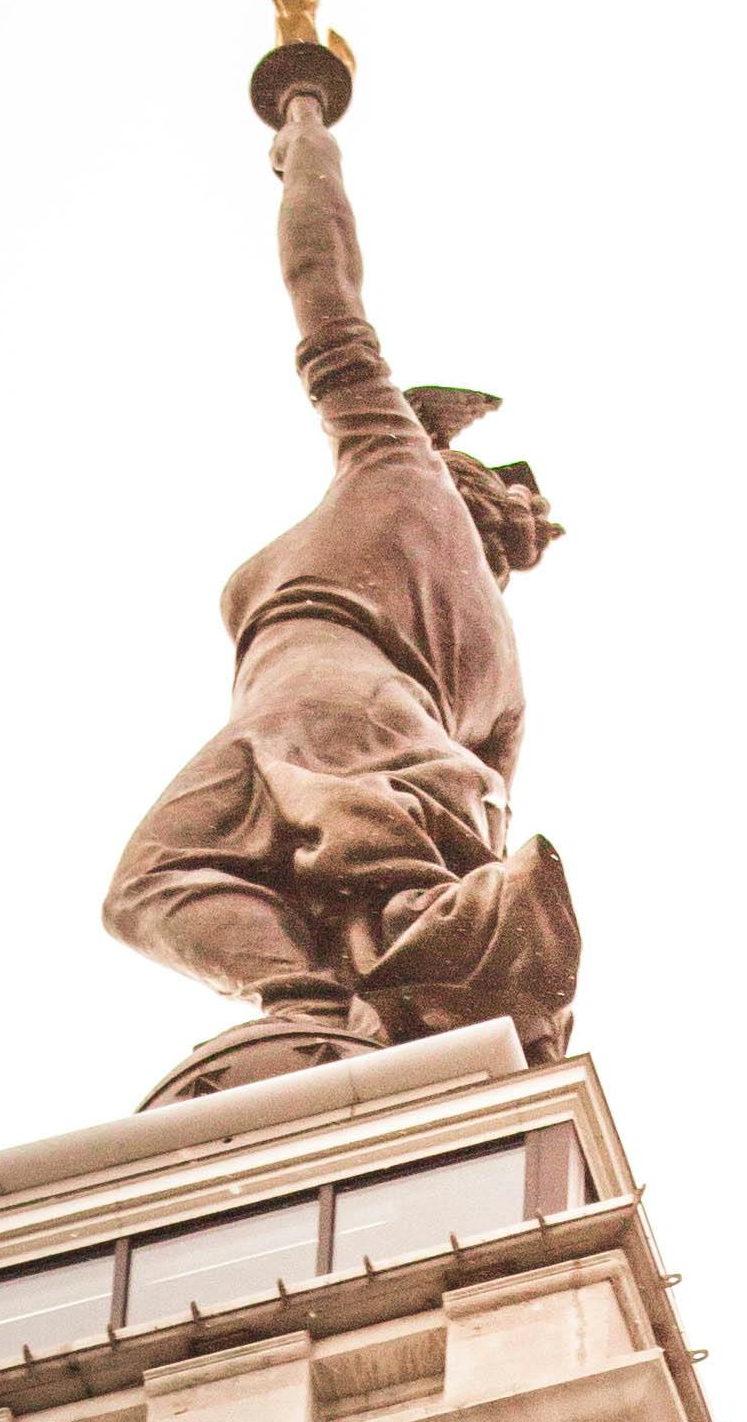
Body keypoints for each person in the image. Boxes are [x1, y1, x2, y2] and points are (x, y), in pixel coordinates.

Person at [104, 85, 577, 1084]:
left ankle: (309, 1004)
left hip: (316, 701)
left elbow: (325, 286)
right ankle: (328, 1008)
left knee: (153, 881)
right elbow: (485, 810)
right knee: (204, 890)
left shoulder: (396, 466)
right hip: (367, 733)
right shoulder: (503, 665)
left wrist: (304, 136)